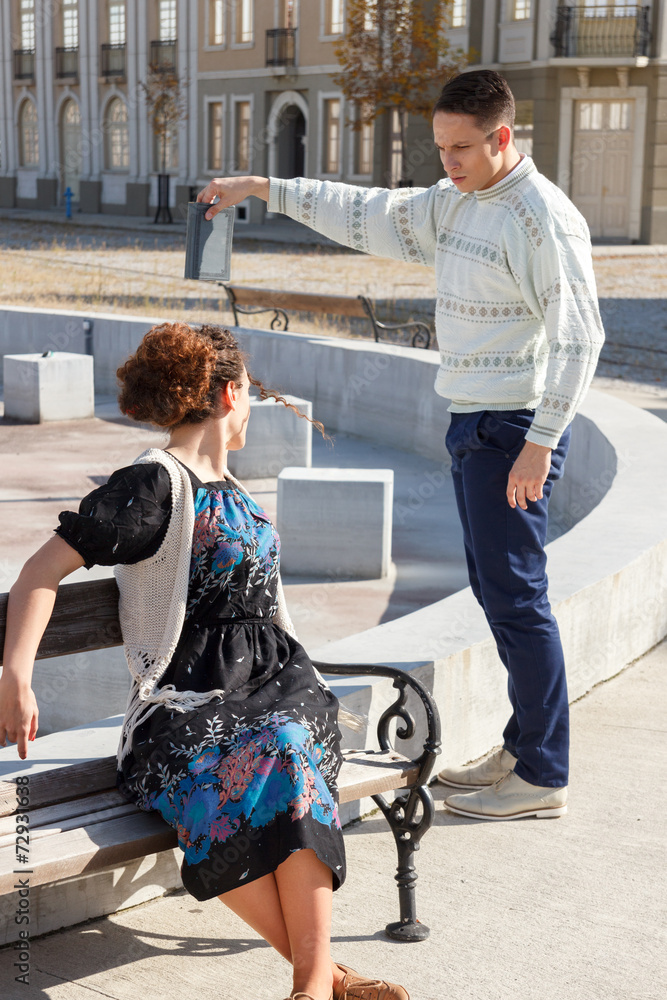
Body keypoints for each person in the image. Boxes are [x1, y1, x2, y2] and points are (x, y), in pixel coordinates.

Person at [196, 69, 605, 822]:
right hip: (471, 425)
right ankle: (525, 749)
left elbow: (583, 337)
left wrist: (540, 444)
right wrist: (261, 186)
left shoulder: (541, 217)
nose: (445, 161)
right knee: (497, 595)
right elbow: (361, 210)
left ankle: (543, 773)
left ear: (501, 137)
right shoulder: (453, 205)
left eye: (459, 148)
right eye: (439, 146)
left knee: (518, 600)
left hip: (512, 429)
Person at [0, 322, 410, 1000]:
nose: (252, 404)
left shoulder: (233, 485)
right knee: (278, 756)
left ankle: (313, 986)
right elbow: (40, 572)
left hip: (275, 692)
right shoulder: (153, 486)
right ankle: (320, 985)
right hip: (187, 710)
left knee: (288, 749)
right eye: (249, 392)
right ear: (228, 394)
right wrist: (17, 674)